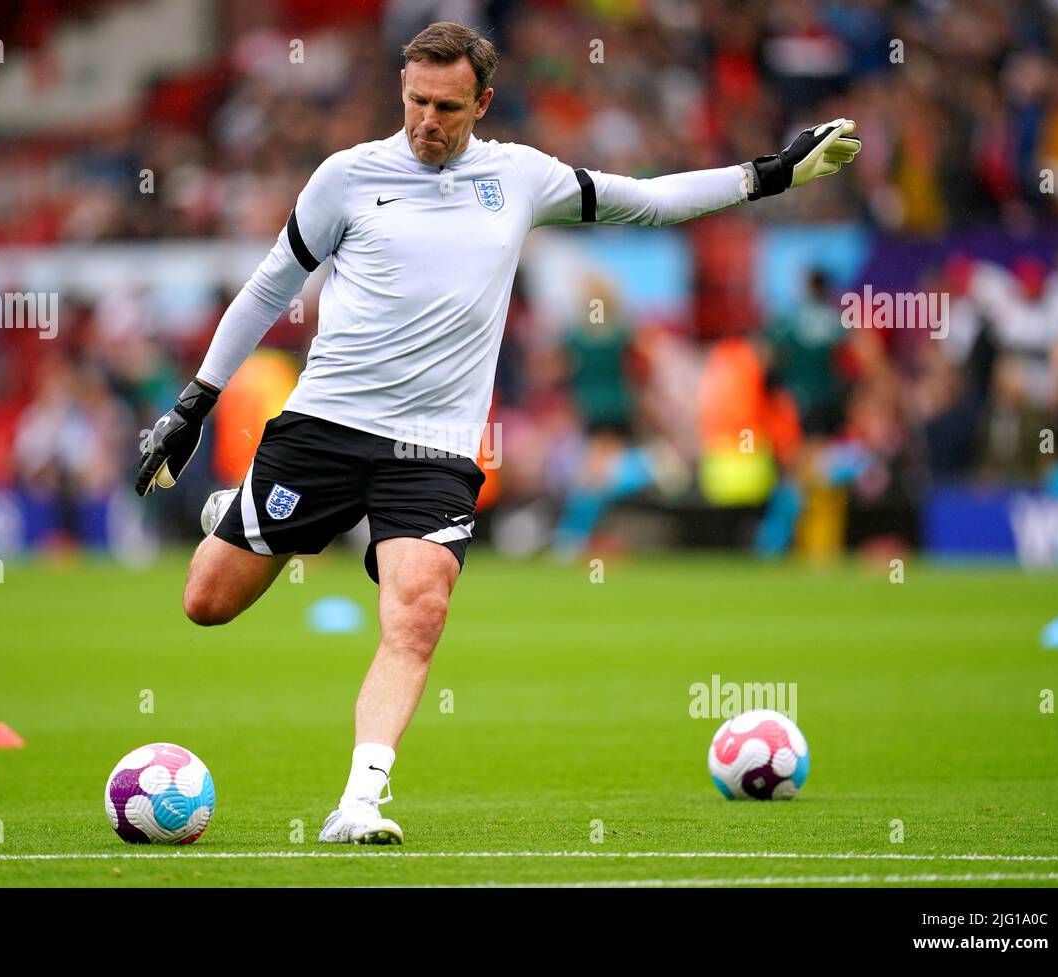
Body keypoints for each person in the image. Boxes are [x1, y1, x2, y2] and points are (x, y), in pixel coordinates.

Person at [134, 21, 861, 844]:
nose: (427, 121)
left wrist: (767, 175)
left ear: (481, 103)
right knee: (207, 603)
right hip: (325, 426)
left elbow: (649, 201)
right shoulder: (345, 177)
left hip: (434, 447)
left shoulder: (520, 177)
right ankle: (237, 512)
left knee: (418, 612)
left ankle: (361, 800)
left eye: (447, 106)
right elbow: (269, 289)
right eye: (415, 101)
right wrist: (193, 404)